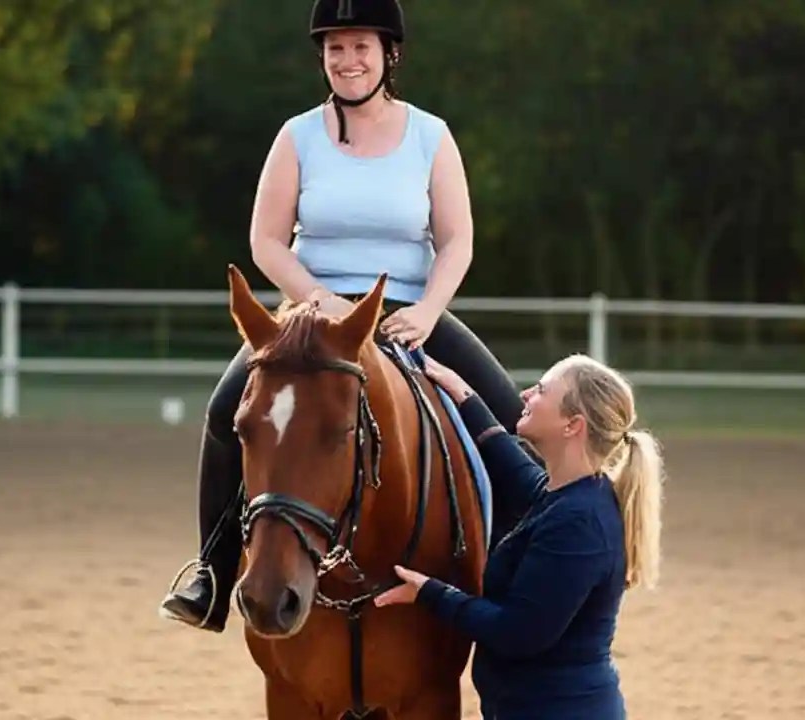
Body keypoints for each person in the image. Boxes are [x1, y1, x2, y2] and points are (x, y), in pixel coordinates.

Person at [158, 0, 525, 632]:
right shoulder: (296, 135)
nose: (347, 60)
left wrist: (431, 312)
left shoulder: (429, 136)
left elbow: (458, 239)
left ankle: (522, 574)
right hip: (309, 316)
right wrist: (321, 300)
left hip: (407, 310)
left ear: (390, 54)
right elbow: (266, 241)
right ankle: (212, 574)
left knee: (512, 418)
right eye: (335, 49)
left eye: (360, 47)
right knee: (225, 413)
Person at [373, 354, 667, 720]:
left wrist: (430, 593)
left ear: (572, 425)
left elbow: (518, 632)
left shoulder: (579, 523)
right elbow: (510, 462)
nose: (527, 394)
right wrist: (464, 395)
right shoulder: (567, 496)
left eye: (542, 390)